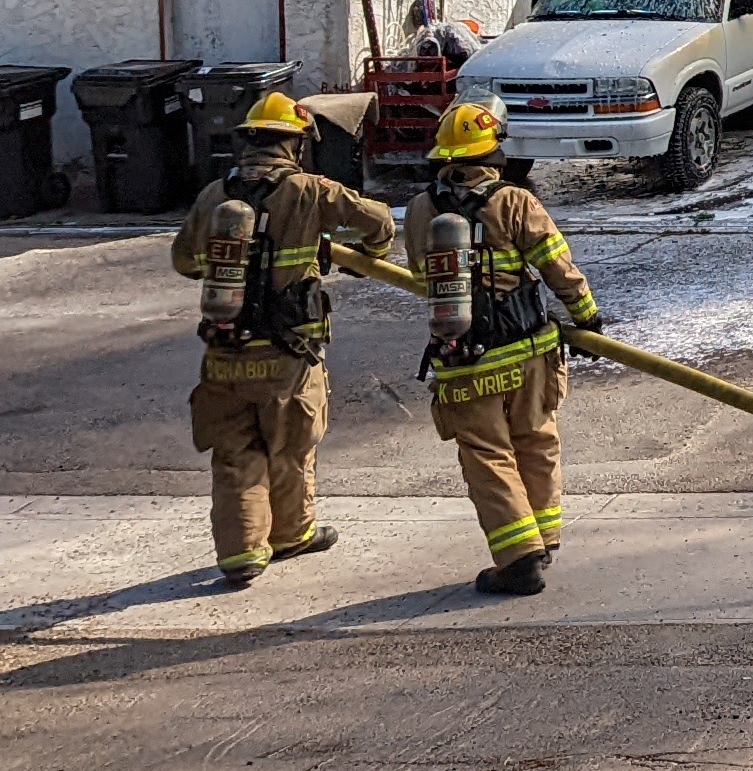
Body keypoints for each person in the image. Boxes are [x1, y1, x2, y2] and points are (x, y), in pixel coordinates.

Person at [172, 91, 398, 589]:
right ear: (295, 146)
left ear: (249, 142)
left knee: (235, 453)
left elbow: (185, 262)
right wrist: (370, 253)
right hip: (288, 353)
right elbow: (379, 221)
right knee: (291, 446)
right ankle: (293, 534)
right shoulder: (311, 190)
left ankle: (240, 556)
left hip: (224, 351)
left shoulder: (215, 195)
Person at [408, 99, 602, 597]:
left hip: (463, 359)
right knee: (535, 438)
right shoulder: (515, 202)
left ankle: (519, 555)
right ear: (493, 152)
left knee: (487, 454)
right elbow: (557, 265)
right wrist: (587, 318)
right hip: (528, 349)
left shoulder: (421, 210)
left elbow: (418, 275)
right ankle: (540, 542)